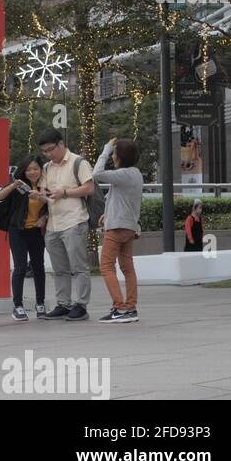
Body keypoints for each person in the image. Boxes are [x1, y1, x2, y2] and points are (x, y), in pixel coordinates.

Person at [36, 129, 95, 322]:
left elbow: (89, 188)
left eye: (50, 149)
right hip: (53, 223)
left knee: (79, 267)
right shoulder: (47, 168)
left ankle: (81, 305)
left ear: (61, 144)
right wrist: (41, 195)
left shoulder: (79, 162)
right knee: (59, 268)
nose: (48, 154)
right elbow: (45, 191)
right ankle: (63, 304)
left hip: (74, 221)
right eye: (44, 151)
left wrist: (65, 192)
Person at [93, 137, 143, 324]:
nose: (112, 156)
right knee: (127, 267)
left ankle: (120, 308)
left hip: (117, 228)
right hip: (128, 226)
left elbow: (96, 174)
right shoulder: (136, 174)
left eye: (115, 153)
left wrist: (105, 149)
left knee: (106, 266)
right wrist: (108, 214)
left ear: (120, 156)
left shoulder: (123, 174)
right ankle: (130, 308)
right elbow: (121, 199)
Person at [0, 155, 48, 321]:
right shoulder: (19, 186)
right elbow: (0, 197)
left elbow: (52, 206)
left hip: (36, 232)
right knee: (19, 267)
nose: (32, 172)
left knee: (39, 267)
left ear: (41, 169)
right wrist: (13, 185)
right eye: (29, 169)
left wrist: (44, 218)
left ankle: (40, 303)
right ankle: (17, 305)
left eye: (36, 168)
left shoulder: (45, 185)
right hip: (17, 230)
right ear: (23, 170)